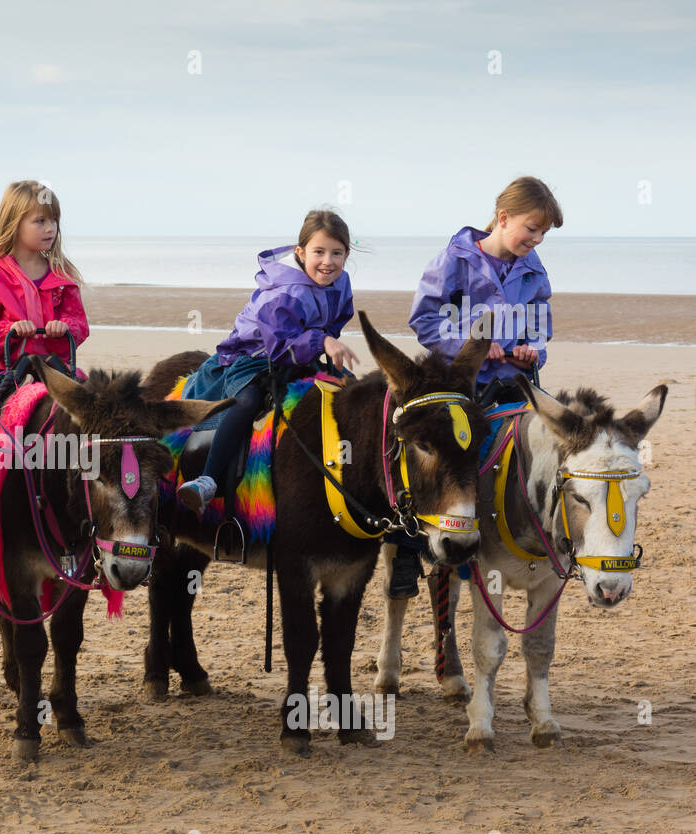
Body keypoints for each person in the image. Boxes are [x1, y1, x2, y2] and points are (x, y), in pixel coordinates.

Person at [388, 176, 564, 596]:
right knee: (435, 455)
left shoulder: (532, 268)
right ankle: (408, 549)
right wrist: (474, 349)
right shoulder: (455, 260)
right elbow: (426, 322)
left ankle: (546, 534)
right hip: (460, 383)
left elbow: (540, 324)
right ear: (503, 218)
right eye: (531, 228)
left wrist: (530, 350)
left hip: (515, 383)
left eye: (543, 233)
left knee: (563, 436)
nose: (537, 240)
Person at [176, 209, 358, 513]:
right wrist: (322, 341)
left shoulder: (340, 284)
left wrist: (324, 345)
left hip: (301, 356)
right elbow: (279, 344)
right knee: (246, 402)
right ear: (301, 253)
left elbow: (333, 322)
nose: (328, 261)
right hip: (256, 358)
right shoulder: (284, 290)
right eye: (319, 252)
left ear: (346, 254)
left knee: (352, 392)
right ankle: (207, 479)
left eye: (336, 253)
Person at [0, 180, 89, 412]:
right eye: (40, 221)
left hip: (55, 369)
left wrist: (64, 327)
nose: (51, 228)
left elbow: (79, 323)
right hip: (2, 369)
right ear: (15, 224)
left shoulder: (62, 275)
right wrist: (8, 331)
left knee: (96, 403)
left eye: (54, 220)